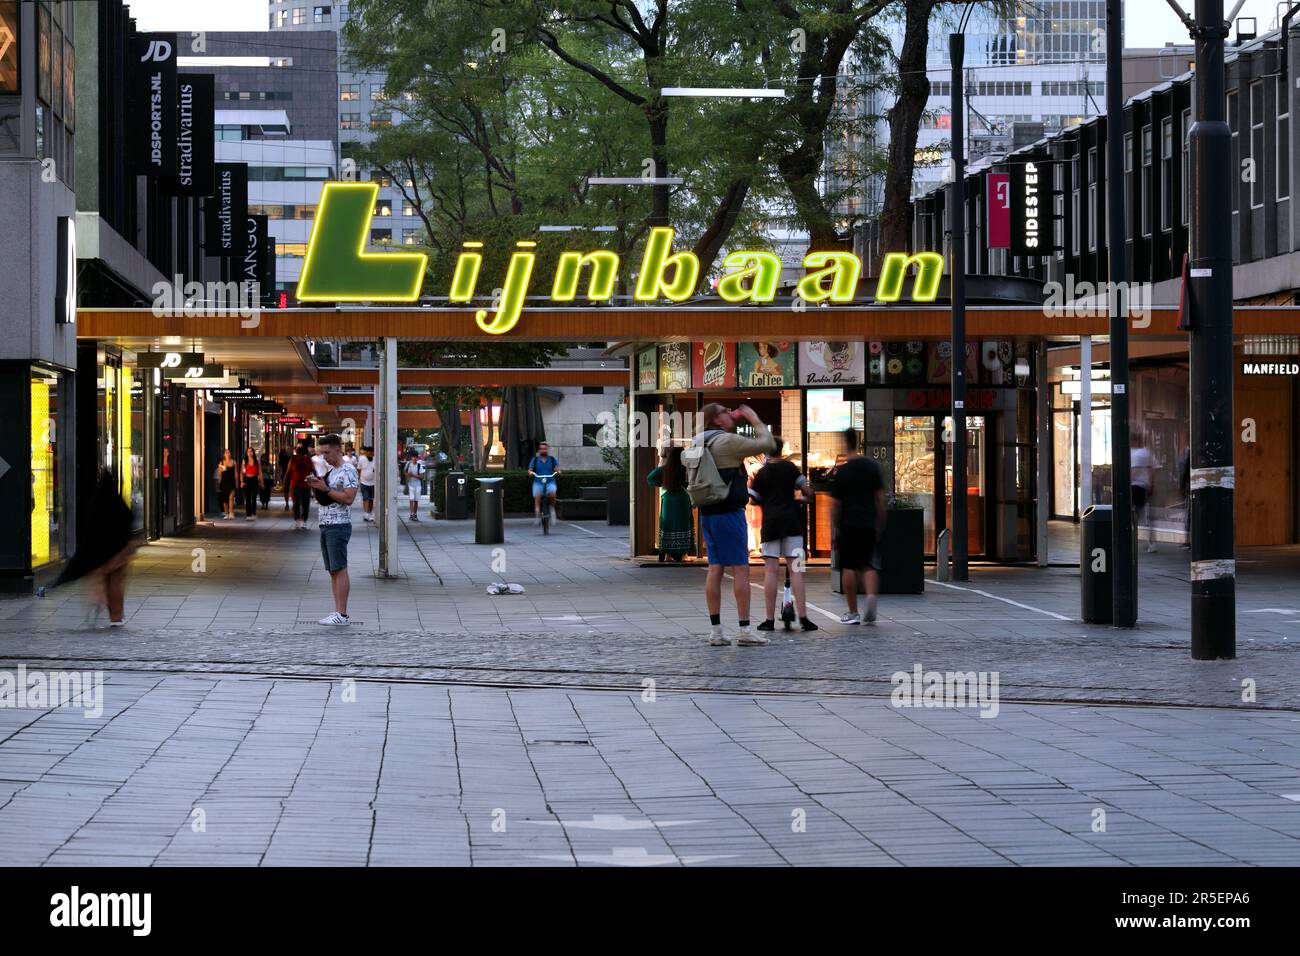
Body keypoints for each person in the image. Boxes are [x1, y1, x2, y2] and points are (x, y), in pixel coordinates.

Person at [689, 403, 775, 646]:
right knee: (740, 568)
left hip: (707, 511)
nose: (730, 414)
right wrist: (754, 417)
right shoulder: (726, 441)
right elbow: (767, 443)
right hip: (729, 512)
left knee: (715, 568)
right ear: (716, 420)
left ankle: (716, 631)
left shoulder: (697, 441)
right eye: (725, 412)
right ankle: (745, 630)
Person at [56, 469, 140, 628]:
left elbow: (89, 527)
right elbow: (129, 521)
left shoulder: (96, 503)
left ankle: (97, 603)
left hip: (102, 554)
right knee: (117, 584)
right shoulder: (118, 503)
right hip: (119, 554)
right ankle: (116, 616)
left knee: (101, 580)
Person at [749, 438, 818, 632]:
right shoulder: (791, 468)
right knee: (796, 570)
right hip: (793, 524)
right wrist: (799, 498)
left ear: (766, 452)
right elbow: (809, 493)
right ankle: (804, 618)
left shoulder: (761, 473)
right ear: (781, 450)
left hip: (771, 525)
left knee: (770, 571)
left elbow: (753, 500)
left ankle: (769, 620)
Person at [830, 428, 885, 625]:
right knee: (868, 564)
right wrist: (879, 523)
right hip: (868, 523)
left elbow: (835, 504)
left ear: (845, 443)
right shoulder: (872, 466)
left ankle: (853, 612)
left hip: (848, 524)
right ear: (859, 442)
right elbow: (880, 498)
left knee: (849, 566)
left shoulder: (842, 471)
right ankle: (871, 597)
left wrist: (835, 527)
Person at [303, 433, 359, 626]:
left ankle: (342, 614)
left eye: (327, 452)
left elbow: (349, 498)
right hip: (326, 523)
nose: (324, 457)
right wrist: (317, 485)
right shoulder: (332, 471)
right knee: (333, 570)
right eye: (322, 453)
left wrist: (325, 489)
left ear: (338, 449)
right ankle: (337, 611)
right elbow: (327, 494)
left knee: (339, 568)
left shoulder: (348, 470)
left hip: (338, 524)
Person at [646, 445, 694, 562]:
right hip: (683, 499)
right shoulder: (686, 469)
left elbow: (650, 478)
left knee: (667, 524)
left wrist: (661, 483)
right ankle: (683, 555)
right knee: (683, 524)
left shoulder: (664, 469)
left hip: (668, 499)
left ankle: (667, 555)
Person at [1131, 432, 1157, 553]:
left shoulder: (1136, 454)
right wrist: (1151, 485)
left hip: (1135, 486)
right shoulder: (1146, 452)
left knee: (1134, 515)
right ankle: (1151, 542)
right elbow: (1152, 470)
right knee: (1145, 516)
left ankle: (1132, 539)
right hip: (1144, 487)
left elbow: (1135, 471)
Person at [528, 441, 561, 524]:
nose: (543, 450)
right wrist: (530, 472)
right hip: (538, 482)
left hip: (550, 482)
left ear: (547, 450)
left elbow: (557, 468)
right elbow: (530, 469)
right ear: (539, 450)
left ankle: (552, 510)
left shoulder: (552, 459)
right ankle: (537, 514)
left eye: (545, 449)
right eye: (542, 449)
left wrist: (558, 471)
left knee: (553, 493)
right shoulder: (535, 460)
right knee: (538, 495)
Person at [286, 443, 316, 530]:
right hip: (296, 485)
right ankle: (298, 520)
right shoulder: (293, 460)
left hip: (305, 484)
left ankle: (303, 520)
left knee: (305, 503)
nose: (298, 453)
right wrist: (286, 483)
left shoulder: (307, 459)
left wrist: (316, 479)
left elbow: (313, 470)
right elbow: (288, 472)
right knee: (297, 503)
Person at [403, 448, 424, 521]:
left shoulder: (419, 466)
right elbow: (405, 473)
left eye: (415, 457)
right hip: (410, 484)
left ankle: (415, 514)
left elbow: (421, 476)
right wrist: (408, 475)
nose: (414, 458)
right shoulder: (408, 464)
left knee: (416, 500)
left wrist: (413, 475)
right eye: (413, 457)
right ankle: (411, 514)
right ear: (411, 457)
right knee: (411, 499)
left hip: (418, 485)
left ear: (417, 458)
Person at [216, 449, 238, 519]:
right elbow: (219, 474)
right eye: (226, 452)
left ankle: (231, 513)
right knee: (225, 499)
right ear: (224, 454)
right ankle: (226, 513)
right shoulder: (221, 462)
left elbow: (236, 473)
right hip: (224, 482)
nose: (227, 453)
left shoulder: (234, 462)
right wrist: (222, 469)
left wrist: (237, 482)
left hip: (232, 481)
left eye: (228, 452)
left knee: (231, 497)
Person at [241, 448, 260, 521]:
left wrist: (261, 481)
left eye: (251, 451)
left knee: (254, 498)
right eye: (248, 451)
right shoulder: (244, 461)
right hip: (247, 480)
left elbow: (259, 472)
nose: (249, 453)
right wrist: (242, 481)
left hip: (254, 480)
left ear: (253, 452)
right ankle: (248, 514)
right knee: (248, 498)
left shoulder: (256, 461)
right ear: (246, 453)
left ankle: (253, 513)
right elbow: (242, 473)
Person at [358, 446, 376, 523]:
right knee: (366, 498)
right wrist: (359, 479)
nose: (370, 454)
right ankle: (366, 514)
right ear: (366, 453)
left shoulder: (375, 459)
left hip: (373, 482)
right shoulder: (362, 459)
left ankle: (369, 512)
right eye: (368, 453)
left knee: (371, 498)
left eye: (371, 453)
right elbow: (359, 469)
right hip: (364, 482)